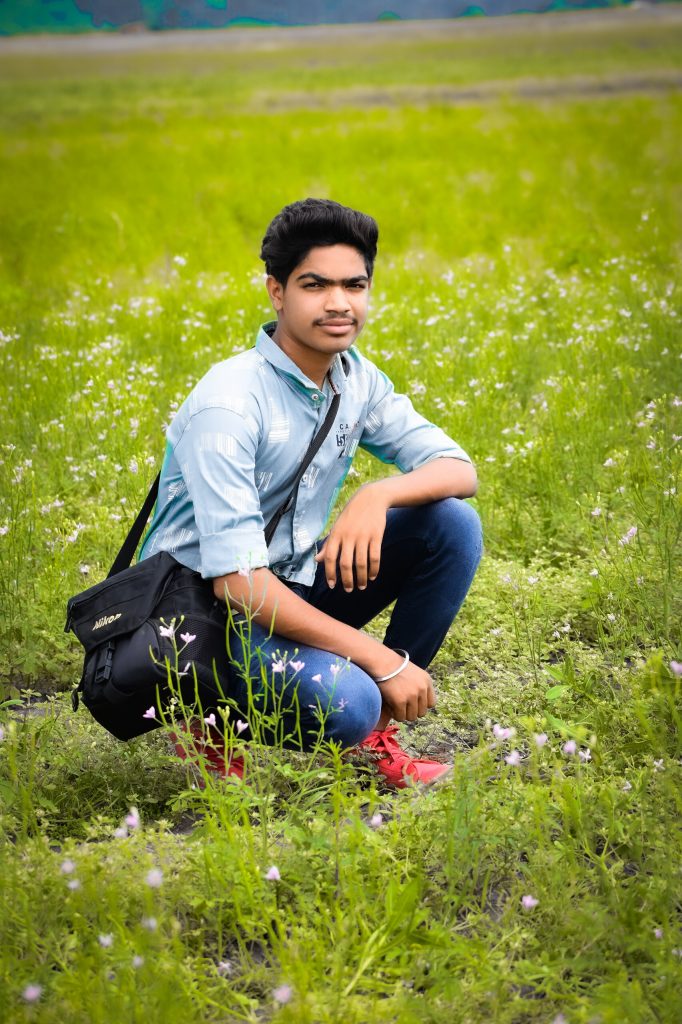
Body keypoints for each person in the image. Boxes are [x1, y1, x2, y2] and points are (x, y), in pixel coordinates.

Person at [140, 198, 482, 787]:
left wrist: (376, 495)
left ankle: (377, 737)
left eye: (355, 284)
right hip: (201, 619)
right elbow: (238, 585)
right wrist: (380, 661)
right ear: (277, 292)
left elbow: (459, 468)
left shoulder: (355, 377)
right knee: (351, 700)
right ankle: (210, 712)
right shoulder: (231, 401)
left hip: (288, 587)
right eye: (315, 284)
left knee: (451, 526)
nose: (339, 303)